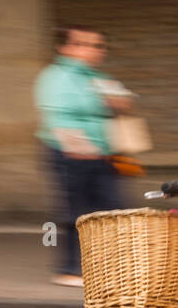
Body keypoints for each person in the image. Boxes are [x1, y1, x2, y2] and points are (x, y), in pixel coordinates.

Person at [34, 25, 130, 286]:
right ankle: (69, 270)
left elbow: (124, 102)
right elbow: (57, 115)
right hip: (69, 153)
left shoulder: (95, 77)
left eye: (99, 45)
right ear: (65, 48)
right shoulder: (56, 77)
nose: (95, 50)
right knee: (75, 212)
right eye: (85, 44)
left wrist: (115, 99)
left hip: (100, 154)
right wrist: (78, 147)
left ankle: (109, 267)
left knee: (113, 210)